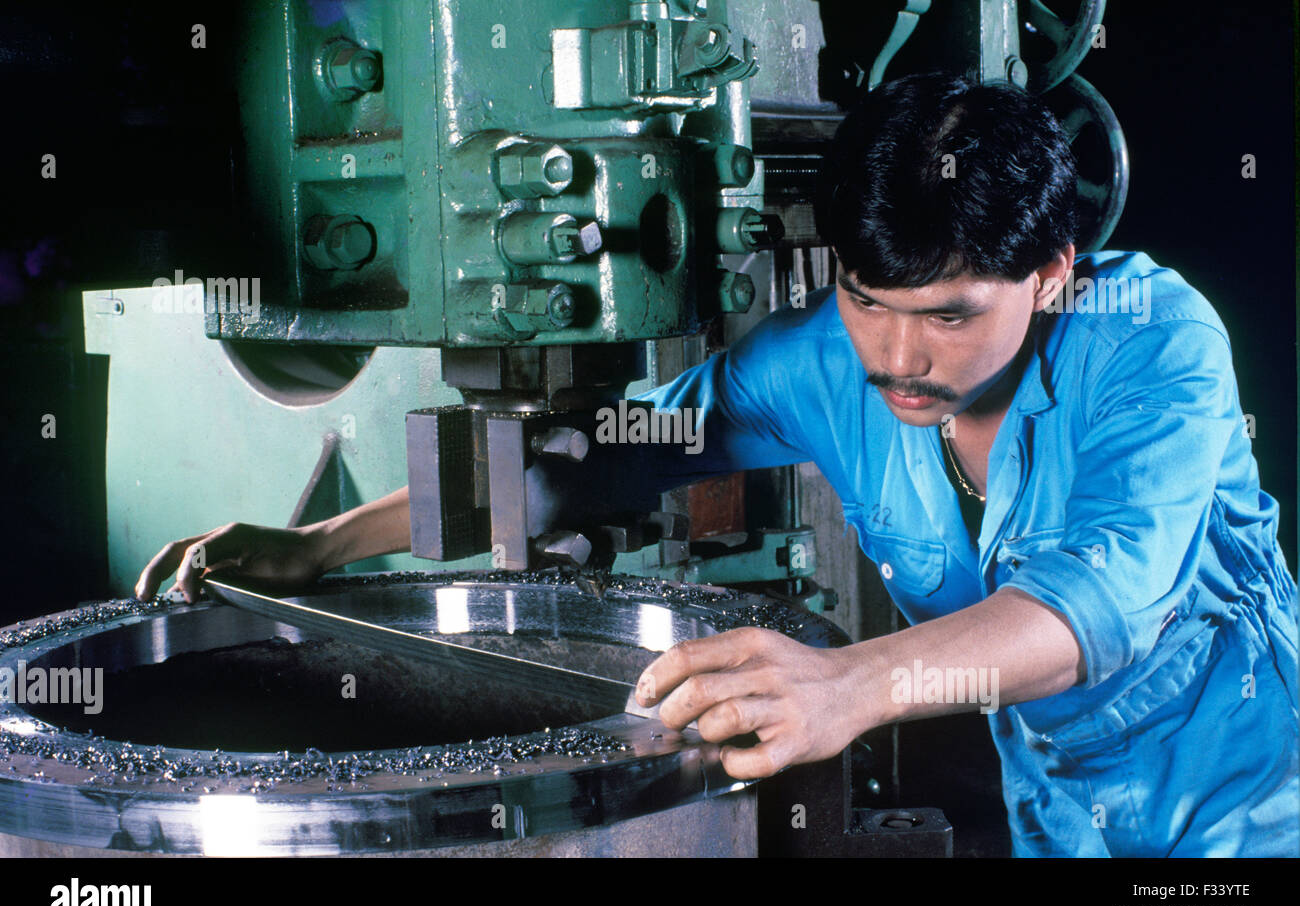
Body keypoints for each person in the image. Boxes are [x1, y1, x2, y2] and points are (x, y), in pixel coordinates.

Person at [136, 73, 1298, 857]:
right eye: (865, 301)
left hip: (1252, 790)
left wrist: (851, 686)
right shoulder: (828, 367)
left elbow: (1093, 609)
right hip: (1059, 805)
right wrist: (323, 543)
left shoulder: (1151, 341)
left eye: (947, 317)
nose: (895, 357)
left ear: (1049, 272)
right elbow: (605, 460)